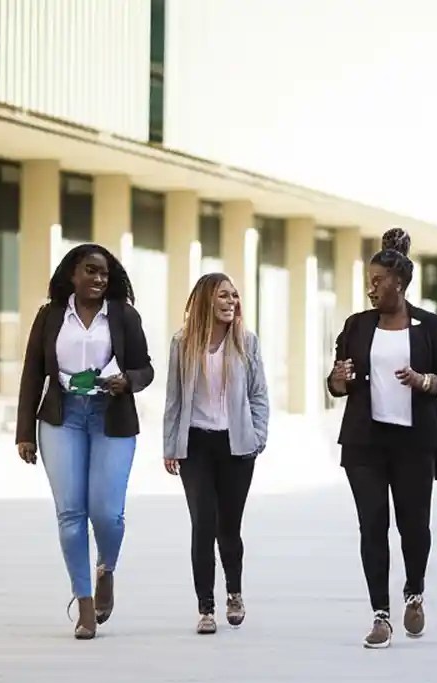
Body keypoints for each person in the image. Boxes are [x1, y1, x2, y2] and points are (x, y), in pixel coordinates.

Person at [327, 227, 437, 649]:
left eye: (378, 281)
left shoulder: (428, 326)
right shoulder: (356, 326)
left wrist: (424, 381)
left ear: (399, 284)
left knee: (414, 527)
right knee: (372, 527)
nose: (371, 288)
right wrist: (336, 380)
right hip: (364, 443)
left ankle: (415, 593)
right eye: (369, 281)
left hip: (414, 443)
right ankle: (380, 616)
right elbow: (337, 381)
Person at [15, 243, 154, 640]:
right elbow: (32, 374)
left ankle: (105, 567)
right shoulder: (51, 316)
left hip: (111, 416)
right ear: (72, 274)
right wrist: (25, 432)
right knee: (71, 513)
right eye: (90, 271)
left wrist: (128, 381)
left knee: (107, 513)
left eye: (104, 274)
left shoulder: (124, 316)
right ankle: (84, 603)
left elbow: (145, 367)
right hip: (63, 417)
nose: (98, 279)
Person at [163, 273, 269, 635]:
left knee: (229, 527)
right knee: (202, 524)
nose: (231, 302)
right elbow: (174, 399)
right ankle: (205, 606)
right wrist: (170, 445)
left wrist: (258, 437)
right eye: (224, 295)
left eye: (235, 296)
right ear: (207, 300)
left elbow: (259, 395)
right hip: (196, 445)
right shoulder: (182, 343)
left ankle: (234, 593)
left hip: (237, 444)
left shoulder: (247, 342)